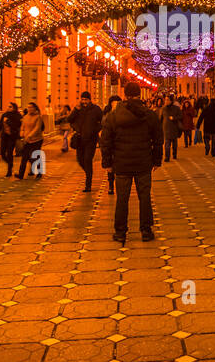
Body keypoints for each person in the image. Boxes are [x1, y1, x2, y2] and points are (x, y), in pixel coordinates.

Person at [99, 81, 162, 244]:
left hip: (121, 164)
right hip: (143, 163)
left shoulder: (113, 116)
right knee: (145, 197)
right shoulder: (149, 115)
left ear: (125, 95)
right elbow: (158, 138)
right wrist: (156, 159)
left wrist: (107, 162)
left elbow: (105, 140)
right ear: (139, 94)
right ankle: (146, 231)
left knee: (122, 199)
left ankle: (120, 233)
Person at [69, 92, 104, 191]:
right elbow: (69, 119)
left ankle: (88, 184)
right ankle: (89, 173)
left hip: (91, 139)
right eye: (82, 99)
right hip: (80, 139)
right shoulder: (78, 109)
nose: (84, 102)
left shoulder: (96, 109)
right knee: (80, 160)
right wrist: (75, 110)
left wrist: (95, 129)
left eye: (86, 99)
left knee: (87, 160)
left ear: (90, 100)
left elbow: (102, 121)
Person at [16, 102, 45, 180]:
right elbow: (22, 126)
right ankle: (20, 174)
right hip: (26, 140)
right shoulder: (25, 117)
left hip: (36, 140)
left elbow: (37, 128)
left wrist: (30, 135)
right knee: (24, 158)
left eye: (31, 107)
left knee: (35, 156)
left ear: (35, 108)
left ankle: (39, 172)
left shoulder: (38, 117)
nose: (29, 109)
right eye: (28, 107)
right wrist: (22, 133)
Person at [0, 103, 22, 179]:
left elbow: (17, 125)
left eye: (10, 107)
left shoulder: (17, 116)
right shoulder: (5, 115)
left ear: (14, 108)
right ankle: (10, 164)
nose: (8, 108)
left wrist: (8, 121)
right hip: (4, 136)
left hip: (12, 136)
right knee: (2, 153)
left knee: (9, 153)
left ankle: (9, 170)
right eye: (8, 106)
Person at [101, 94, 123, 193]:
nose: (115, 106)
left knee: (118, 166)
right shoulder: (106, 114)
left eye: (117, 104)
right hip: (109, 142)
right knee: (110, 166)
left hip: (120, 143)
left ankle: (119, 184)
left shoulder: (123, 114)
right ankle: (111, 185)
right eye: (113, 104)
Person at [160, 96, 182, 161]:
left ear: (171, 101)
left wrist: (174, 118)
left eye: (168, 100)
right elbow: (160, 118)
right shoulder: (163, 108)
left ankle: (174, 154)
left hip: (174, 128)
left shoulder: (176, 108)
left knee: (174, 144)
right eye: (165, 100)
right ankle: (167, 157)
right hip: (166, 128)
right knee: (167, 144)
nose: (166, 101)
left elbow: (180, 116)